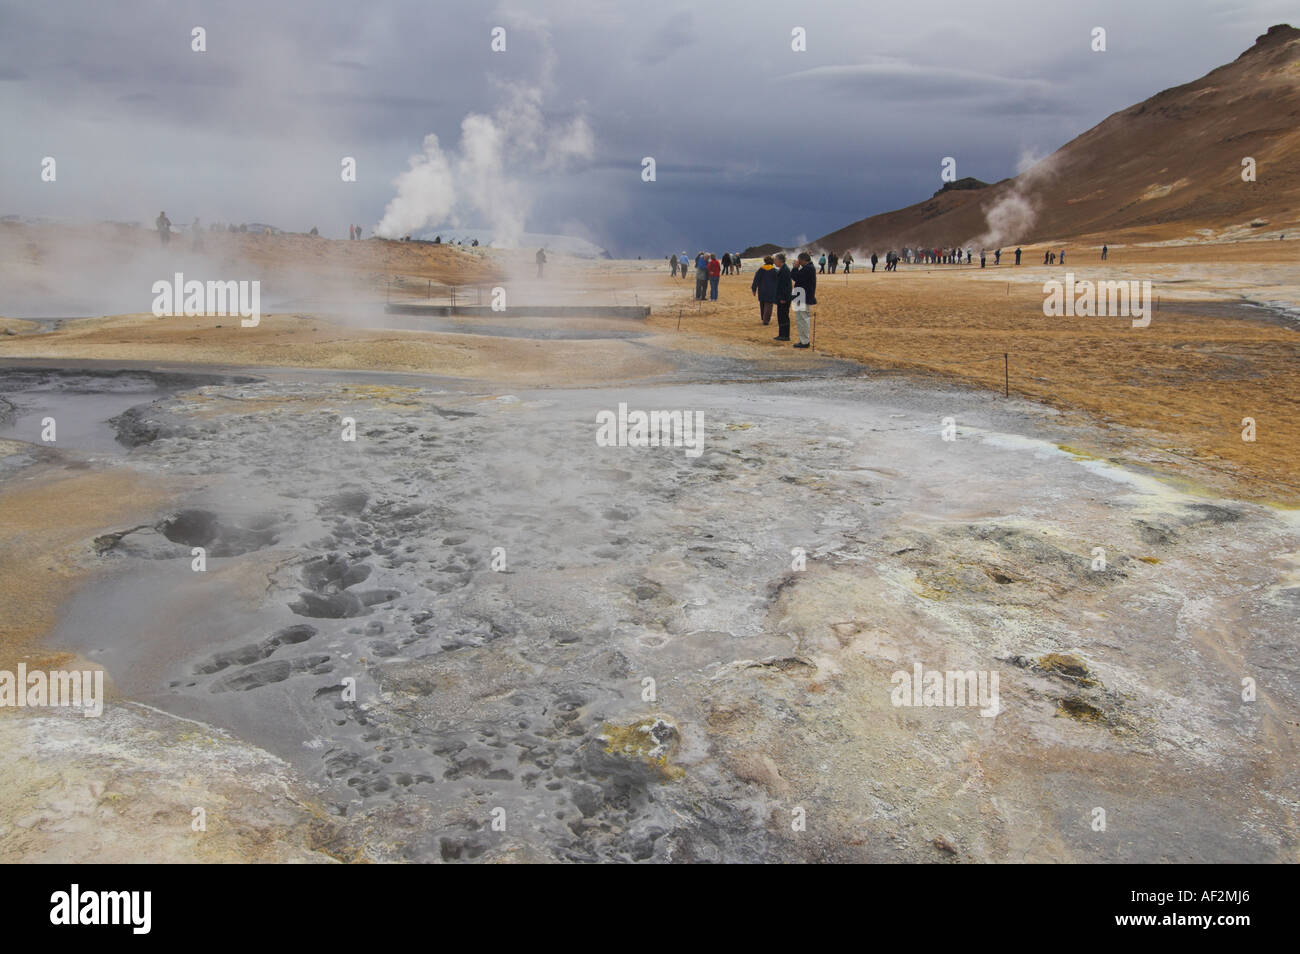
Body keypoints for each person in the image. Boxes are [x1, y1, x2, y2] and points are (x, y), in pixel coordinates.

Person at [791, 252, 816, 348]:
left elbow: (795, 277)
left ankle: (805, 341)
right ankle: (803, 340)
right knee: (800, 319)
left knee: (803, 320)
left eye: (799, 260)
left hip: (803, 297)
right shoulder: (808, 268)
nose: (798, 262)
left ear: (802, 260)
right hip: (801, 296)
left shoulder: (808, 269)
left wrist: (795, 267)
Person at [751, 255, 778, 326]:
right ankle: (766, 320)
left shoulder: (760, 269)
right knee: (769, 305)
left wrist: (754, 289)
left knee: (762, 304)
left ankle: (763, 317)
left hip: (762, 290)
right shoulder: (774, 270)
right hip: (771, 290)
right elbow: (778, 281)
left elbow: (756, 280)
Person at [773, 252, 793, 342]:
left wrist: (783, 298)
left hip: (784, 298)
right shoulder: (783, 269)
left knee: (783, 316)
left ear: (779, 261)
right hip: (782, 297)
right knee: (781, 316)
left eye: (775, 260)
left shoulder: (785, 270)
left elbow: (786, 286)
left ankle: (785, 336)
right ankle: (782, 334)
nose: (774, 262)